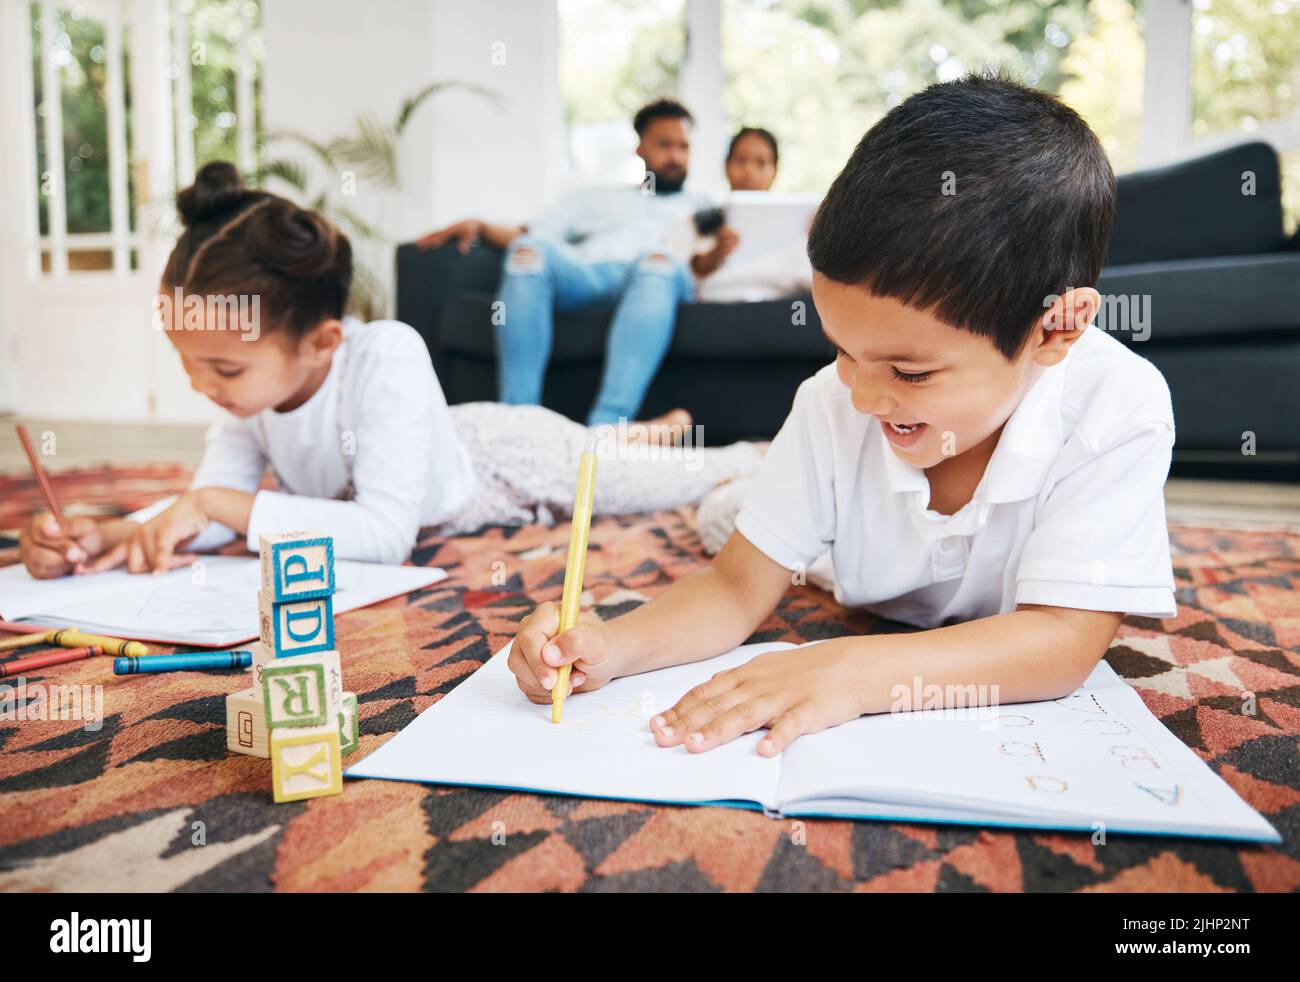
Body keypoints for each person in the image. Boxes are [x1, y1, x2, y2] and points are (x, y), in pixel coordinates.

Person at [505, 72, 1178, 755]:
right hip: (847, 561)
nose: (862, 396)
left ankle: (749, 482)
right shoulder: (832, 401)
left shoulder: (1121, 405)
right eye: (842, 351)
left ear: (1054, 332)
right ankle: (749, 481)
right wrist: (611, 645)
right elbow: (737, 588)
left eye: (910, 371)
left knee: (739, 512)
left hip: (862, 562)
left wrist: (851, 670)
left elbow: (1061, 641)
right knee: (726, 523)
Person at [18, 163, 765, 578]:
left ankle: (724, 446)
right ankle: (648, 431)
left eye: (222, 367)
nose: (202, 387)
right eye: (186, 365)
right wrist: (113, 535)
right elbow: (207, 511)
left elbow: (383, 534)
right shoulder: (246, 403)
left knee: (684, 477)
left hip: (511, 458)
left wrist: (211, 507)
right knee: (614, 449)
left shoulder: (388, 354)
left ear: (323, 342)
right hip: (456, 448)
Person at [415, 99, 710, 433]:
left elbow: (717, 262)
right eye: (664, 145)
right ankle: (518, 421)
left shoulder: (705, 208)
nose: (675, 156)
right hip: (588, 275)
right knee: (528, 251)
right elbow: (527, 233)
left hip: (654, 279)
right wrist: (482, 226)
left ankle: (606, 426)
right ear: (640, 149)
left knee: (657, 263)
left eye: (683, 146)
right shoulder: (594, 198)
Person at [671, 126, 815, 303]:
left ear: (774, 172)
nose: (749, 171)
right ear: (726, 166)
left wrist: (820, 240)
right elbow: (677, 276)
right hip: (718, 310)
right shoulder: (698, 223)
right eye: (740, 160)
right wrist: (710, 259)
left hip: (782, 312)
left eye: (761, 163)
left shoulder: (802, 225)